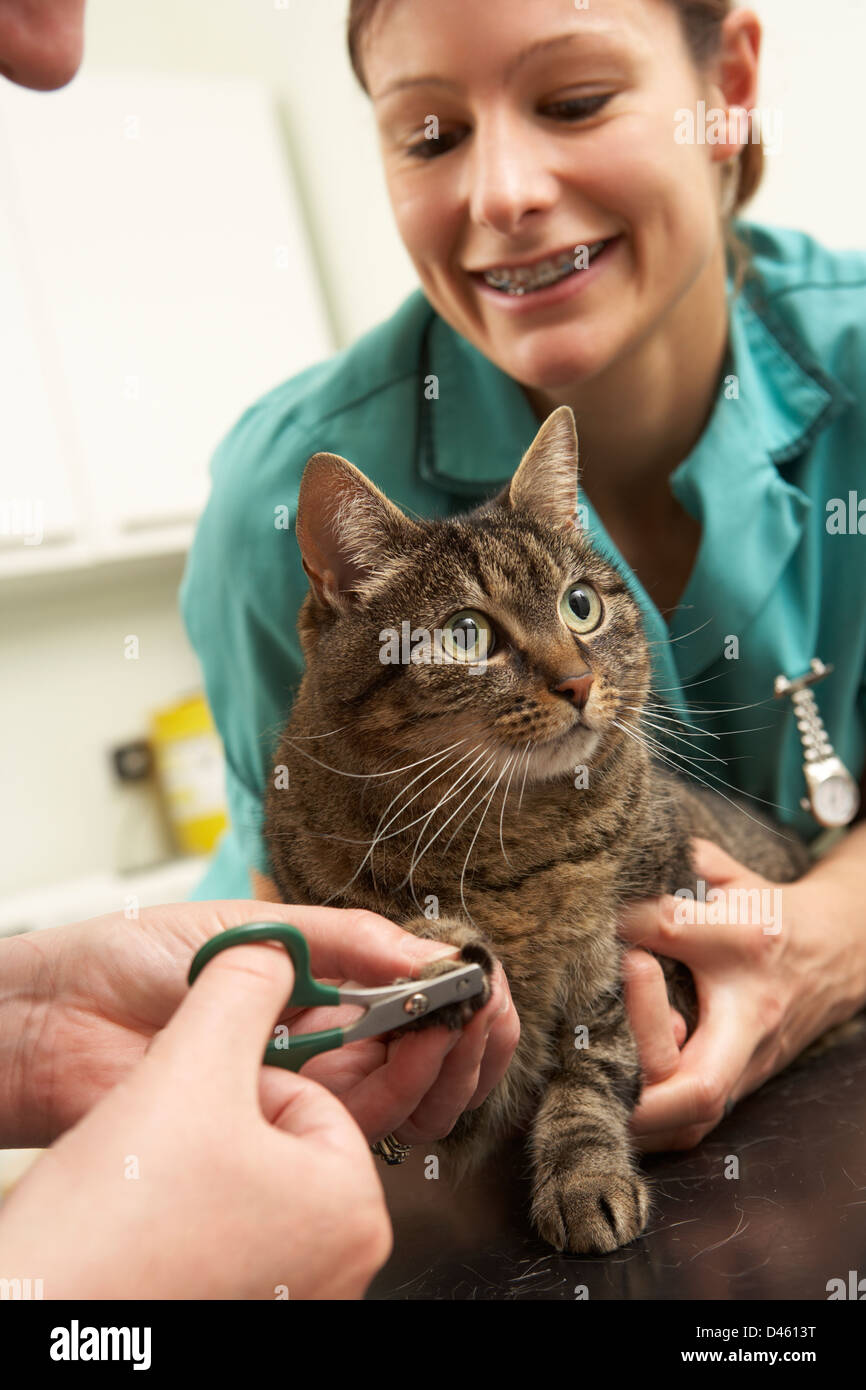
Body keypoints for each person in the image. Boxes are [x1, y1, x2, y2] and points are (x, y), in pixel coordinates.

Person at [179, 0, 866, 1157]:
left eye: (574, 101)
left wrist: (827, 939)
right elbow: (294, 920)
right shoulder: (276, 497)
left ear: (728, 85)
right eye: (432, 134)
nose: (501, 192)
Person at [0, 0, 519, 1299]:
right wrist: (99, 1286)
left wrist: (32, 1019)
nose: (56, 51)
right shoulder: (274, 498)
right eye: (433, 132)